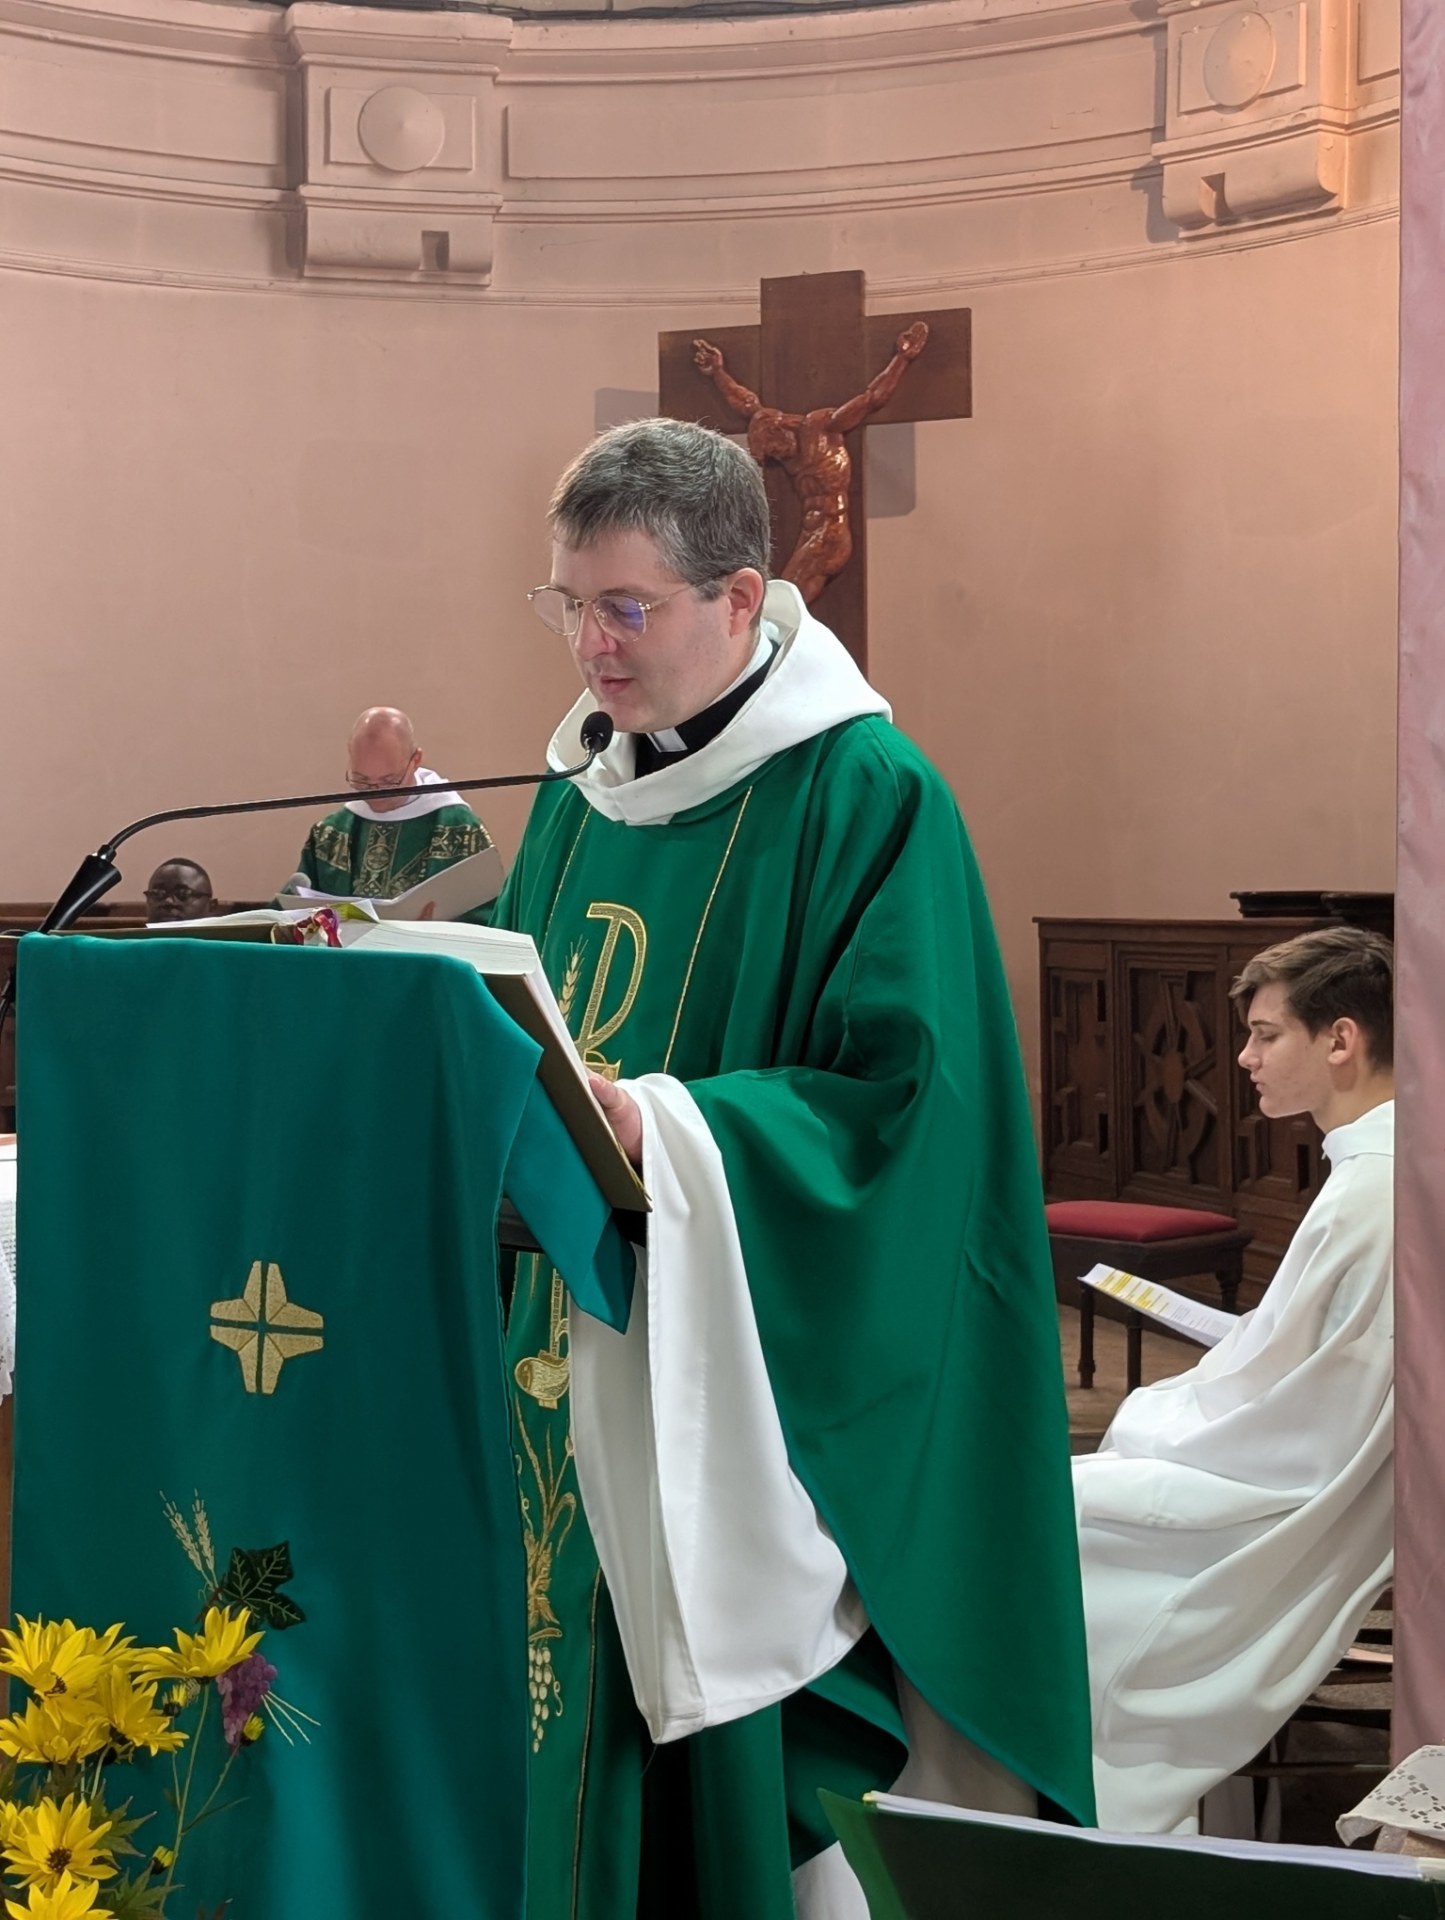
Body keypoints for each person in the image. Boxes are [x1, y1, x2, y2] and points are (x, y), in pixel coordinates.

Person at [493, 418, 1095, 1919]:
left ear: (743, 598)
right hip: (558, 1347)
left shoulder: (868, 794)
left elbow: (910, 1115)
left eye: (623, 608)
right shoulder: (577, 797)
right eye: (567, 604)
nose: (590, 647)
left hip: (742, 1360)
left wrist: (675, 1135)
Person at [1073, 925, 1395, 1834]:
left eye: (1265, 1033)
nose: (1244, 1058)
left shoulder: (1373, 1187)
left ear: (1340, 1040)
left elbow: (1312, 1417)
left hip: (1289, 1486)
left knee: (1053, 1532)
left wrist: (1157, 1415)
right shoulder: (1372, 1164)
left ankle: (1084, 1815)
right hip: (1279, 1444)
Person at [691, 324, 928, 602]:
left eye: (775, 450)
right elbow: (744, 403)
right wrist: (718, 373)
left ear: (782, 430)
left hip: (830, 534)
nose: (780, 457)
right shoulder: (774, 432)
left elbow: (872, 399)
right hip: (811, 532)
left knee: (782, 602)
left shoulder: (824, 428)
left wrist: (902, 358)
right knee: (785, 604)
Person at [285, 706, 495, 918]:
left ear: (415, 760)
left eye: (389, 781)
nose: (376, 794)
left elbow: (487, 913)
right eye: (362, 780)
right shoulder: (331, 832)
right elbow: (293, 908)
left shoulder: (459, 827)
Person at [143, 858, 216, 924]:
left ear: (211, 907)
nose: (169, 901)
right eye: (157, 893)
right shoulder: (133, 938)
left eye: (183, 894)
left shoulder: (224, 938)